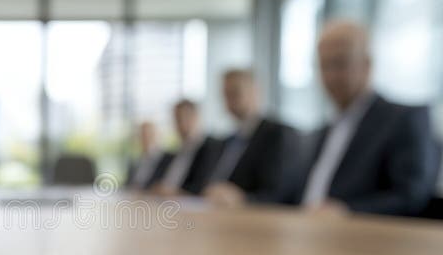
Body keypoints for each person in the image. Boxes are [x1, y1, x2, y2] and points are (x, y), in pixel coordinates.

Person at [279, 21, 437, 216]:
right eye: (323, 65)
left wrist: (348, 211)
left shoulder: (404, 119)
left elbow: (412, 196)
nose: (330, 75)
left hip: (362, 239)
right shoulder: (323, 131)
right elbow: (294, 195)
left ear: (367, 65)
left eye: (340, 63)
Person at [201, 69, 299, 207]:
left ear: (255, 92)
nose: (229, 100)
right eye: (226, 94)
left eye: (235, 92)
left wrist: (244, 199)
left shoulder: (277, 134)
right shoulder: (225, 141)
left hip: (252, 217)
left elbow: (280, 193)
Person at [151, 100, 222, 196]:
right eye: (177, 119)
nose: (182, 123)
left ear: (196, 117)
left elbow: (204, 186)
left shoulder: (212, 147)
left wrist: (176, 192)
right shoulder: (175, 152)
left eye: (186, 117)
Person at [125, 121, 171, 190]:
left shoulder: (167, 159)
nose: (145, 137)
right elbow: (128, 184)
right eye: (142, 134)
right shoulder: (135, 161)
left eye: (149, 134)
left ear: (157, 135)